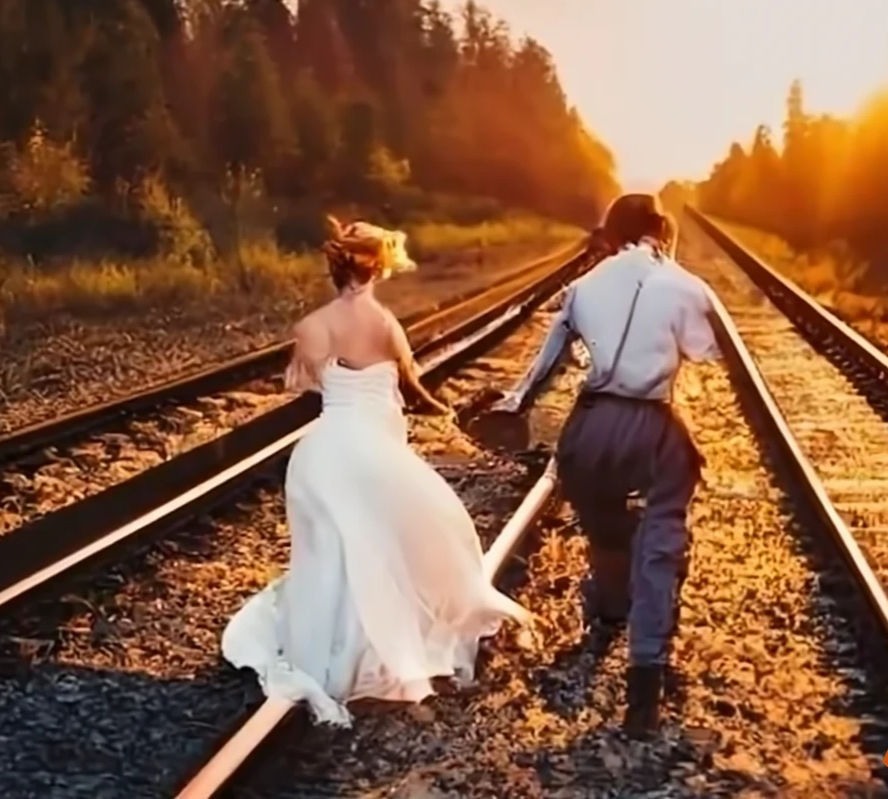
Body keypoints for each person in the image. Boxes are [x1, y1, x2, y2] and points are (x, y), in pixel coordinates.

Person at [222, 217, 531, 726]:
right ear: (378, 267)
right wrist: (442, 410)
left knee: (332, 553)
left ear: (334, 268)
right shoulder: (388, 325)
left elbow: (299, 383)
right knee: (397, 540)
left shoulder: (312, 326)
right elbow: (412, 387)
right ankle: (380, 645)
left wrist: (332, 374)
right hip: (376, 451)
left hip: (324, 453)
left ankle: (325, 647)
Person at [494, 193, 720, 739]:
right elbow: (709, 351)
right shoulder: (686, 285)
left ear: (613, 236)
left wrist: (512, 406)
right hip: (651, 423)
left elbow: (541, 370)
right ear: (660, 231)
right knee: (660, 539)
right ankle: (645, 678)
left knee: (605, 528)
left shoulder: (582, 286)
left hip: (590, 425)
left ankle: (606, 614)